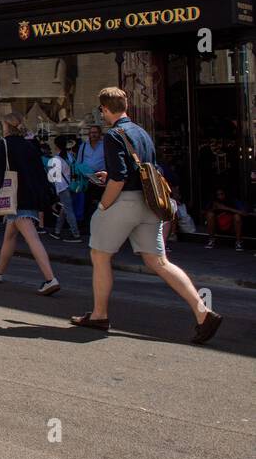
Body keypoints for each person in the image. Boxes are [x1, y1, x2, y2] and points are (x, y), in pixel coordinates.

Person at [71, 87, 222, 343]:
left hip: (124, 201)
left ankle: (99, 315)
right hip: (150, 203)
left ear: (105, 109)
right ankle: (202, 312)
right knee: (158, 261)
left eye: (102, 110)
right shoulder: (141, 133)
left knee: (99, 255)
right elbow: (141, 168)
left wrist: (102, 207)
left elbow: (119, 179)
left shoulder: (113, 135)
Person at [0, 113, 62, 296]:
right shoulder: (30, 146)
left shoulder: (3, 144)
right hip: (30, 195)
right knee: (10, 236)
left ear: (6, 126)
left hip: (16, 197)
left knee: (32, 238)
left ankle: (50, 278)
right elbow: (40, 172)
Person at [45, 142, 81, 243]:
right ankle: (57, 231)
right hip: (72, 186)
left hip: (62, 187)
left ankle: (76, 234)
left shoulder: (55, 160)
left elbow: (51, 177)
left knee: (68, 210)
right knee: (64, 209)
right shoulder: (70, 157)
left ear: (56, 146)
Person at [75, 122, 107, 230]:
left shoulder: (104, 146)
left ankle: (100, 225)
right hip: (86, 177)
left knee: (100, 202)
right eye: (91, 132)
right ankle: (85, 225)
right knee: (86, 202)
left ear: (100, 134)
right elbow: (78, 162)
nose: (93, 135)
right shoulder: (83, 146)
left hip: (100, 176)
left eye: (95, 132)